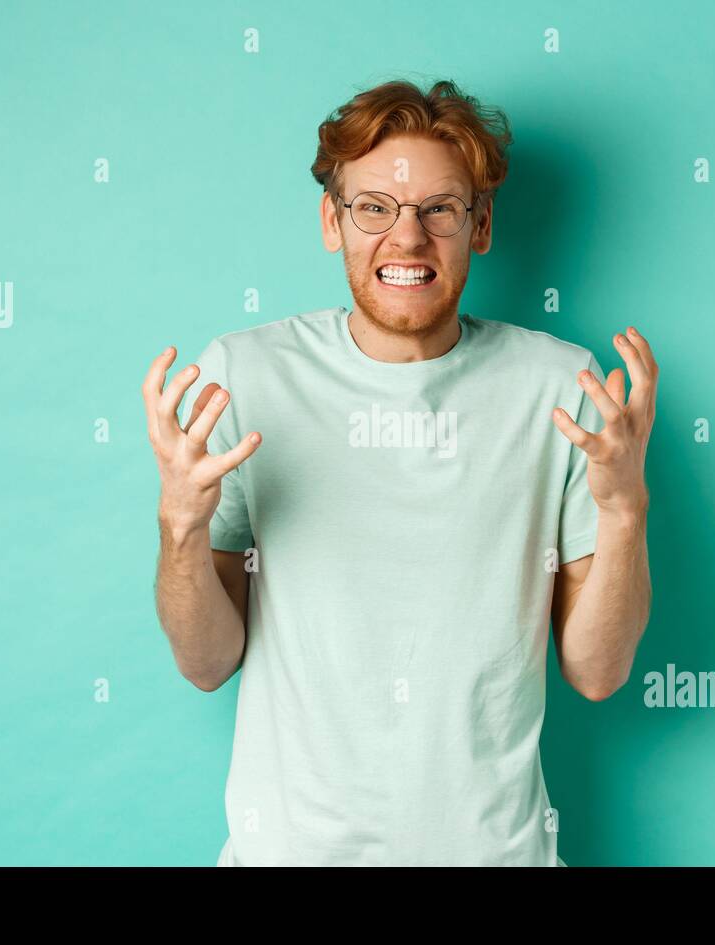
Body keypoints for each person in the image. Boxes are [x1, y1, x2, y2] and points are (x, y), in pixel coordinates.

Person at [143, 79, 656, 866]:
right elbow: (205, 663)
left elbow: (597, 671)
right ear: (332, 221)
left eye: (438, 210)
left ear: (480, 226)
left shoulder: (561, 389)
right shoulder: (246, 377)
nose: (406, 239)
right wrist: (179, 524)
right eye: (374, 207)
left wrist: (624, 512)